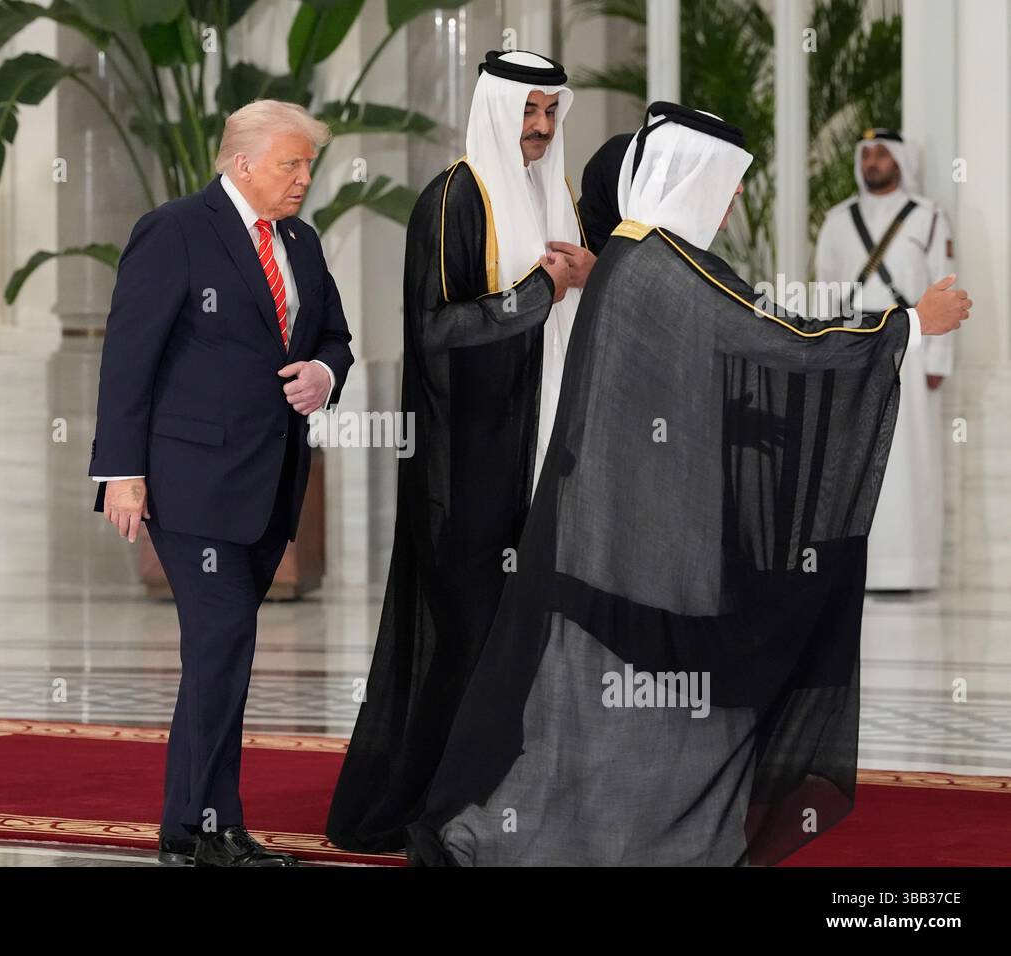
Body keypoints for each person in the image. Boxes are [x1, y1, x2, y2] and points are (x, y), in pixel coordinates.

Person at [406, 103, 971, 866]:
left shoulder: (639, 256)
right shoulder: (668, 264)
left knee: (635, 683)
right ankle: (640, 834)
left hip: (633, 518)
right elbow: (780, 336)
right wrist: (907, 322)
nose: (734, 200)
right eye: (728, 184)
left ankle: (629, 829)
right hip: (647, 530)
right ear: (694, 177)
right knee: (655, 679)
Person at [327, 50, 594, 854]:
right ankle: (443, 810)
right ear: (496, 111)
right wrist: (542, 291)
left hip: (543, 454)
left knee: (530, 644)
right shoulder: (453, 199)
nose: (542, 129)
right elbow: (437, 331)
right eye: (529, 112)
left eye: (552, 112)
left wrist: (591, 275)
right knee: (469, 642)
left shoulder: (558, 195)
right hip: (470, 471)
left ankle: (516, 805)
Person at [89, 100, 354, 867]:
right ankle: (204, 832)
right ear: (242, 164)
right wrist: (121, 473)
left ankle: (198, 828)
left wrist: (323, 372)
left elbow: (333, 332)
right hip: (189, 483)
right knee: (223, 642)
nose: (304, 177)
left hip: (271, 483)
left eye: (308, 164)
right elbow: (128, 356)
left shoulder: (299, 240)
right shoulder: (175, 229)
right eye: (290, 164)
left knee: (223, 652)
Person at [815, 128, 954, 590]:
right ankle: (857, 569)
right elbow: (825, 294)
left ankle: (911, 569)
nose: (873, 161)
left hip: (911, 346)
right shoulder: (837, 220)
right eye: (867, 154)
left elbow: (945, 286)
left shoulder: (928, 217)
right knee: (853, 455)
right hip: (853, 344)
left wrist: (938, 360)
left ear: (899, 160)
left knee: (909, 459)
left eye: (882, 153)